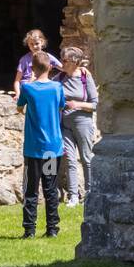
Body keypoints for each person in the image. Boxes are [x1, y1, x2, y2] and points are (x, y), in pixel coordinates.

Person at [16, 51, 65, 238]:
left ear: (32, 68)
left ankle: (29, 230)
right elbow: (61, 106)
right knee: (50, 188)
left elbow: (20, 107)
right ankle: (52, 229)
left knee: (31, 189)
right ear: (51, 67)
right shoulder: (57, 88)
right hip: (52, 148)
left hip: (33, 149)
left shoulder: (28, 89)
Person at [54, 46, 97, 206]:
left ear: (74, 62)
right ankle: (73, 196)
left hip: (83, 123)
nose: (62, 63)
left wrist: (76, 104)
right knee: (70, 159)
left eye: (64, 60)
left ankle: (91, 193)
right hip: (64, 124)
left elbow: (95, 104)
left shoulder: (85, 78)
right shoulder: (59, 78)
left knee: (86, 158)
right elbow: (47, 89)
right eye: (62, 59)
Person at [13, 28, 61, 99]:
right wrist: (18, 94)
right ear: (28, 45)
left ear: (42, 42)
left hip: (42, 83)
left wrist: (78, 68)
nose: (34, 46)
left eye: (37, 43)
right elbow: (17, 81)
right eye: (31, 44)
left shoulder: (47, 57)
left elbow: (63, 68)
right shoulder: (24, 59)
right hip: (28, 85)